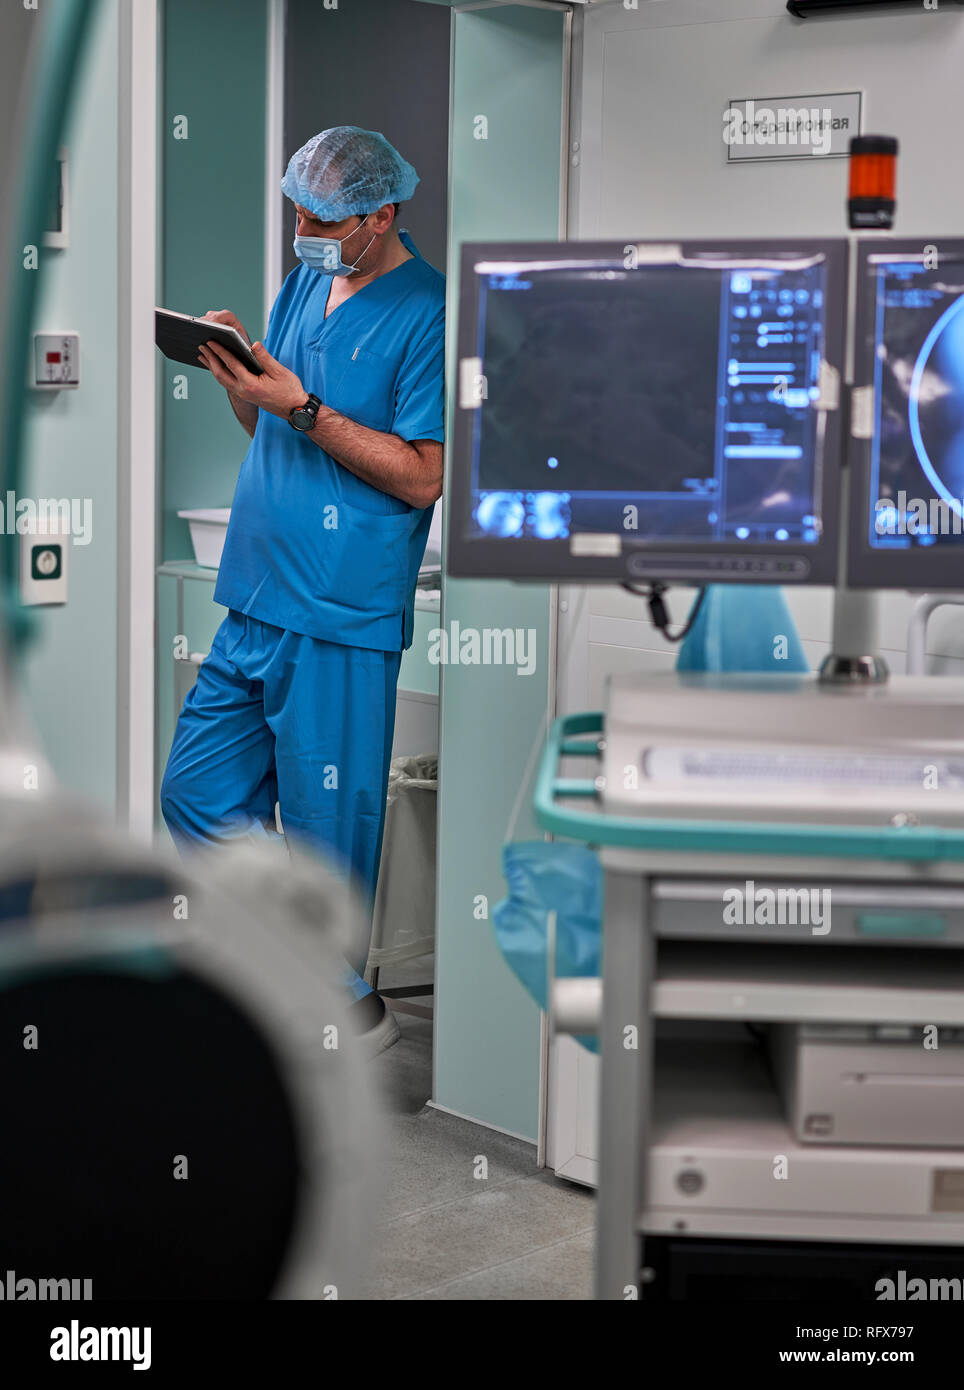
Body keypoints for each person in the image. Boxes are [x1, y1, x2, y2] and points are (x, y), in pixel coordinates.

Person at [160, 127, 445, 1055]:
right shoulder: (302, 284)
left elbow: (421, 476)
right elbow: (267, 427)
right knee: (193, 795)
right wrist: (238, 376)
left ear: (381, 215)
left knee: (328, 834)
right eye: (297, 211)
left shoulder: (430, 312)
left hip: (340, 610)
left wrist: (302, 406)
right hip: (254, 591)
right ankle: (325, 985)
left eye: (322, 217)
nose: (303, 228)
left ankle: (341, 1014)